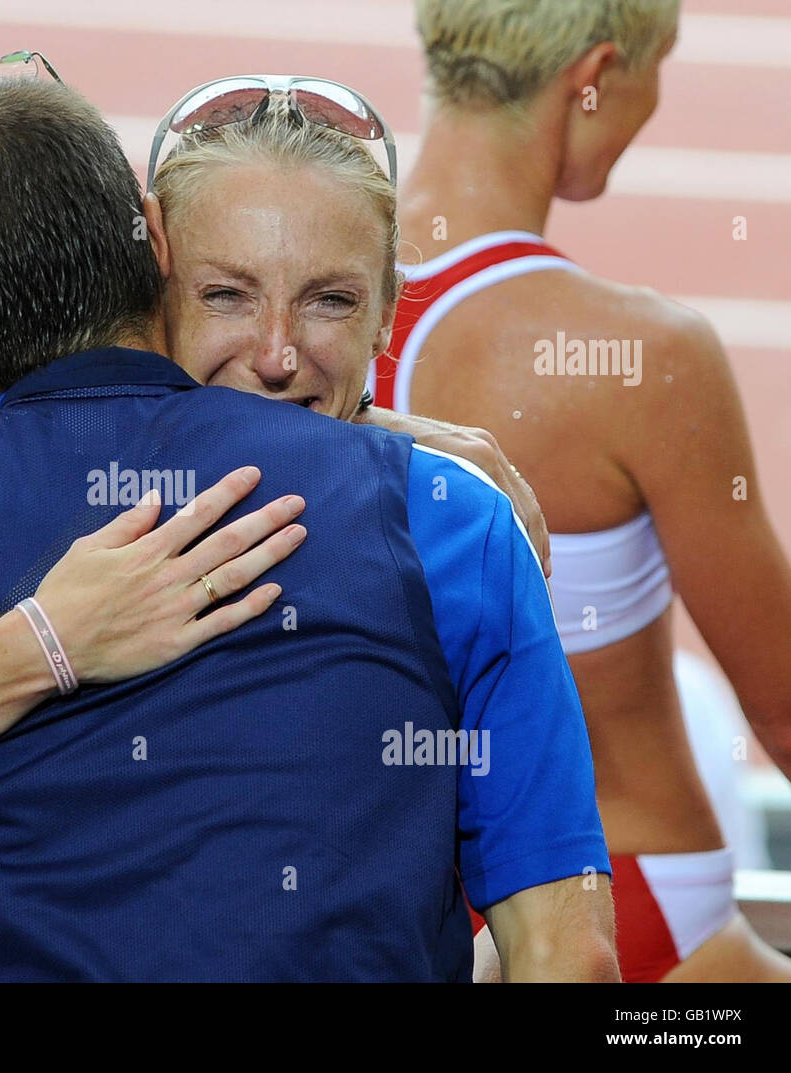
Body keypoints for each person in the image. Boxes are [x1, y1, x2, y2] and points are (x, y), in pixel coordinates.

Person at [0, 65, 616, 982]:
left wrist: (42, 640)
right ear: (152, 257)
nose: (279, 357)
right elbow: (568, 955)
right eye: (227, 294)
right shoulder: (451, 521)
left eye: (329, 298)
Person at [365, 0, 791, 981]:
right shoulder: (647, 357)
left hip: (394, 904)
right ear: (595, 73)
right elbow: (782, 708)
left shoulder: (279, 316)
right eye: (655, 70)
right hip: (617, 913)